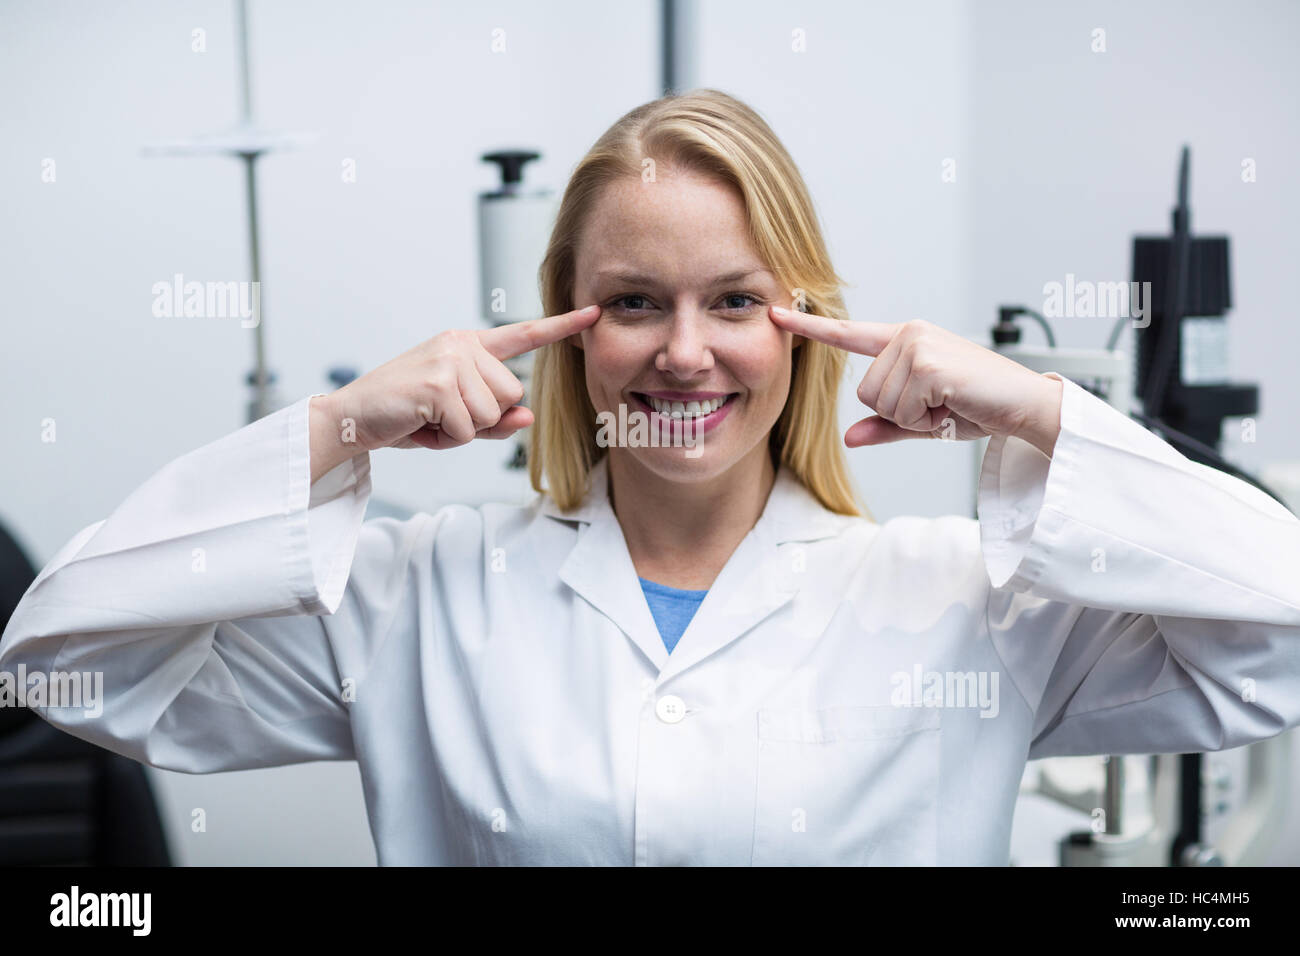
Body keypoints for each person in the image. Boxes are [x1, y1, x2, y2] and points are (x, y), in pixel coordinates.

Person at [3, 88, 1300, 866]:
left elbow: (1281, 644)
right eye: (633, 302)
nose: (685, 354)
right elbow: (61, 665)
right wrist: (336, 427)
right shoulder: (421, 598)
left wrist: (1038, 410)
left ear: (804, 320)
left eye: (734, 299)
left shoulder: (969, 606)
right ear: (566, 328)